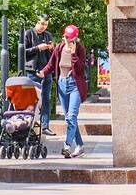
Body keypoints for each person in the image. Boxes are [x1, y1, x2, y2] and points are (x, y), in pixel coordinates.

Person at [40, 23, 88, 158]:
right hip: (62, 83)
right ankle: (80, 146)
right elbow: (51, 63)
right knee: (70, 119)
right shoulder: (59, 48)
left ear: (75, 38)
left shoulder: (80, 49)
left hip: (75, 85)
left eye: (71, 39)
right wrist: (43, 72)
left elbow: (80, 69)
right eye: (67, 38)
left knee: (71, 116)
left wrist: (73, 54)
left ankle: (67, 146)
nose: (68, 41)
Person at [23, 15, 57, 136]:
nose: (43, 27)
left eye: (46, 25)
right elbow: (23, 52)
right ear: (36, 22)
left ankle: (45, 126)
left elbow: (53, 55)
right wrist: (37, 48)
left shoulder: (48, 35)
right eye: (42, 24)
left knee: (46, 99)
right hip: (32, 71)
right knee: (31, 100)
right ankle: (29, 125)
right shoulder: (28, 34)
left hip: (46, 72)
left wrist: (52, 49)